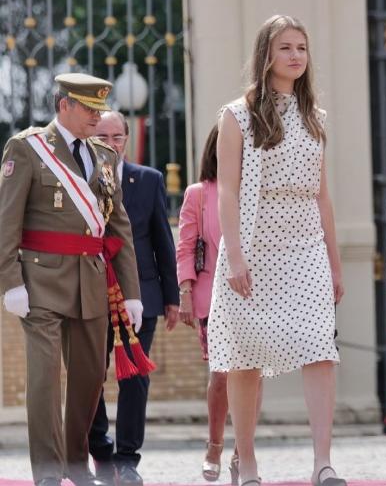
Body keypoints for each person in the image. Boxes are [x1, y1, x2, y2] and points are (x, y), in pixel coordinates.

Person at [206, 15, 346, 486]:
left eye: (302, 48)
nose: (295, 56)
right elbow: (226, 191)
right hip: (253, 242)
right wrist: (237, 257)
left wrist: (335, 262)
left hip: (305, 244)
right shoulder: (236, 115)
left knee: (319, 347)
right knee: (246, 358)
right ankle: (245, 461)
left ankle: (322, 463)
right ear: (266, 54)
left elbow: (323, 195)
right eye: (286, 47)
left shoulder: (315, 119)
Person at [0, 73, 145, 486]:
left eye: (101, 108)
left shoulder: (105, 155)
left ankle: (76, 463)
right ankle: (47, 471)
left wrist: (131, 293)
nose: (97, 118)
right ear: (64, 105)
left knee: (88, 381)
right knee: (45, 381)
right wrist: (10, 281)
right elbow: (6, 222)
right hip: (40, 281)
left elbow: (119, 228)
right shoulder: (27, 148)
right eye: (89, 109)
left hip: (92, 282)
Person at [88, 111, 180, 485]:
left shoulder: (148, 179)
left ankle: (128, 460)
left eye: (117, 136)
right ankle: (100, 450)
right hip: (91, 292)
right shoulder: (81, 179)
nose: (111, 143)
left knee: (135, 378)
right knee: (91, 375)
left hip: (141, 294)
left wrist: (172, 297)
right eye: (103, 137)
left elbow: (162, 240)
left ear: (127, 139)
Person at [178, 125, 258, 484]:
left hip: (257, 294)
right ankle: (214, 446)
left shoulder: (258, 193)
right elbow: (185, 246)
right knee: (222, 376)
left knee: (253, 374)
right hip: (213, 296)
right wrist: (184, 292)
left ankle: (244, 452)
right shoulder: (199, 194)